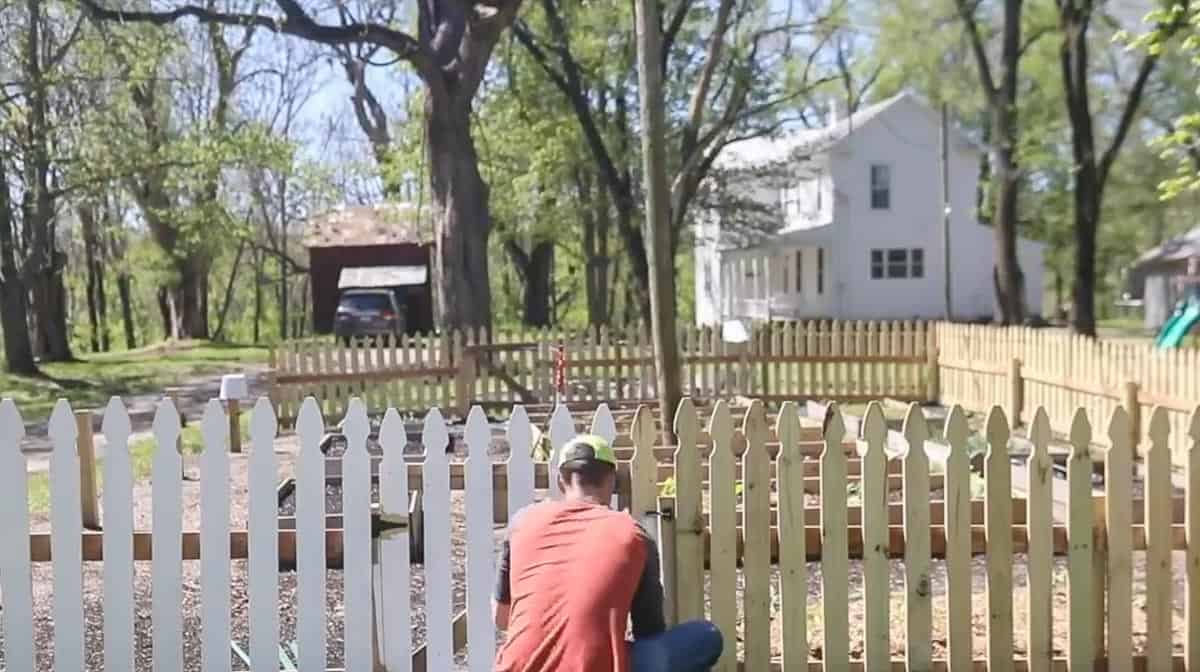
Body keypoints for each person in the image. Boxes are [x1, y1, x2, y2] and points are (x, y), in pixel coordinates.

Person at [492, 434, 723, 672]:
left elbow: (501, 617)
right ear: (611, 480)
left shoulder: (522, 523)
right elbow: (649, 632)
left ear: (561, 481)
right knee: (706, 636)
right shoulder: (633, 535)